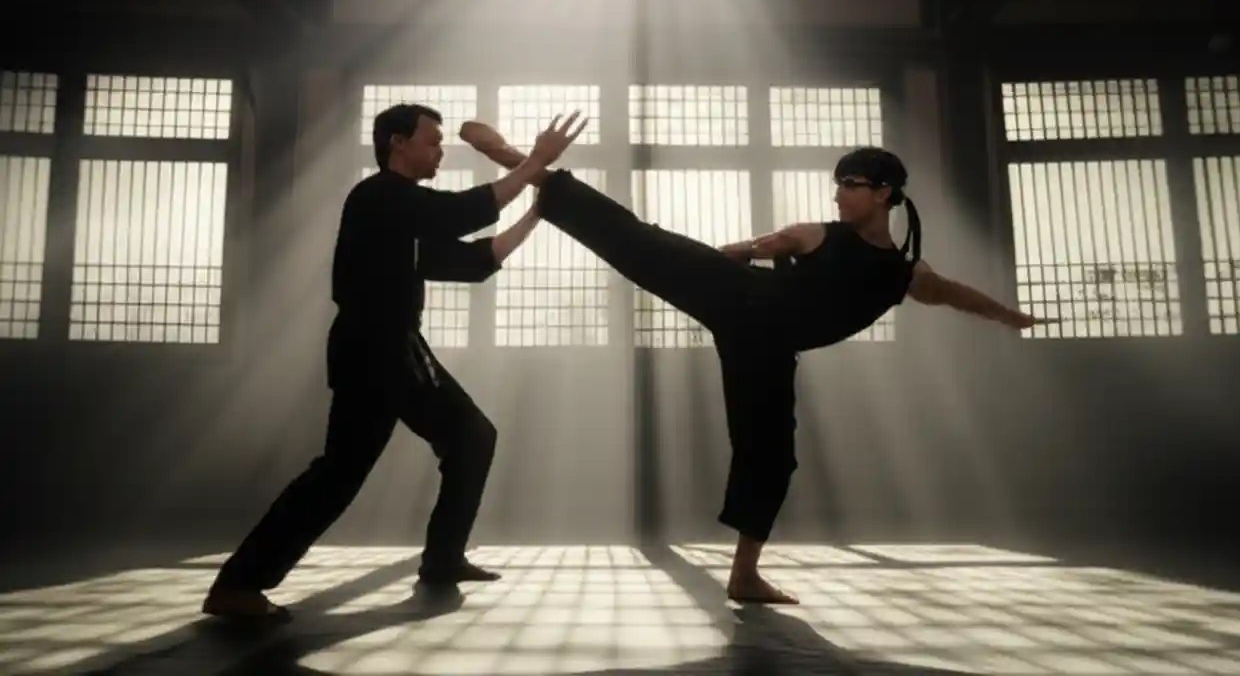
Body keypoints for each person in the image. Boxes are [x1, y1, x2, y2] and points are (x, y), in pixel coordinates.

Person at [459, 120, 1054, 605]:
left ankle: (744, 575)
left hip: (765, 347)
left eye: (850, 184)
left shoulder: (903, 273)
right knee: (638, 239)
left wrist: (1008, 316)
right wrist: (706, 262)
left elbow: (952, 294)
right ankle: (518, 160)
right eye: (837, 184)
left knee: (772, 454)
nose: (838, 194)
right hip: (737, 296)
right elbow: (741, 251)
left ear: (884, 194)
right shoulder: (813, 234)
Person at [201, 106, 586, 620]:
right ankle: (238, 586)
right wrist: (535, 160)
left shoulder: (403, 215)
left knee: (471, 437)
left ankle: (443, 559)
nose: (441, 150)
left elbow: (472, 260)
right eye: (432, 141)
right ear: (398, 144)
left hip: (399, 349)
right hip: (370, 349)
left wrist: (537, 212)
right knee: (340, 472)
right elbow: (461, 212)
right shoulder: (378, 197)